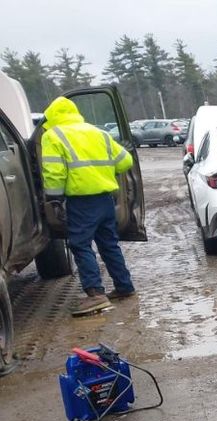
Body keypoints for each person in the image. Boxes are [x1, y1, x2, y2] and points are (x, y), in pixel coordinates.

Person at [40, 97, 136, 317]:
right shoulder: (98, 133)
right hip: (106, 199)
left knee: (80, 245)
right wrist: (101, 173)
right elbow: (125, 161)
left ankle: (95, 295)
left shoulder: (53, 135)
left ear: (52, 115)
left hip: (82, 202)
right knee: (109, 244)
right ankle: (124, 286)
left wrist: (54, 199)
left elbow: (54, 171)